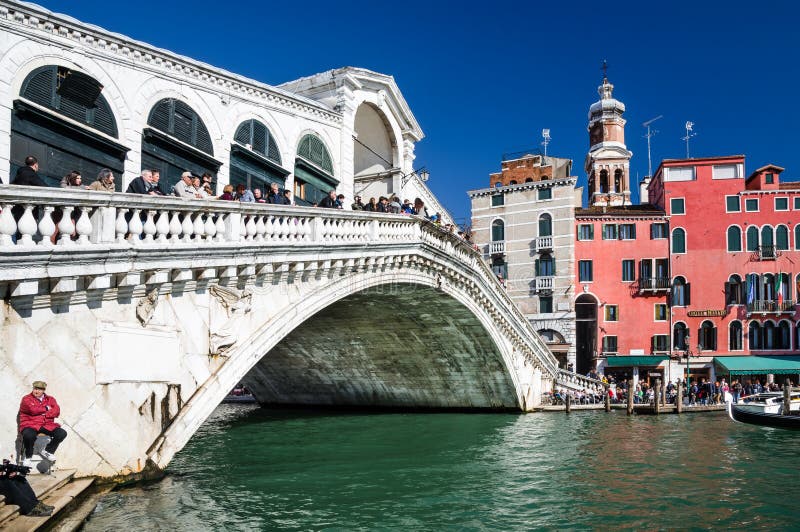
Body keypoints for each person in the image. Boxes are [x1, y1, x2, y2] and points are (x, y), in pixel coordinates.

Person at [18, 381, 67, 468]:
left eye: (39, 389)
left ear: (44, 390)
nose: (36, 391)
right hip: (30, 424)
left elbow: (56, 411)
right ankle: (28, 456)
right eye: (35, 389)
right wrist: (46, 408)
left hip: (46, 424)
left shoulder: (50, 399)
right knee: (29, 435)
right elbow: (32, 410)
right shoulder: (26, 399)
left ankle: (48, 451)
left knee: (61, 433)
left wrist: (45, 414)